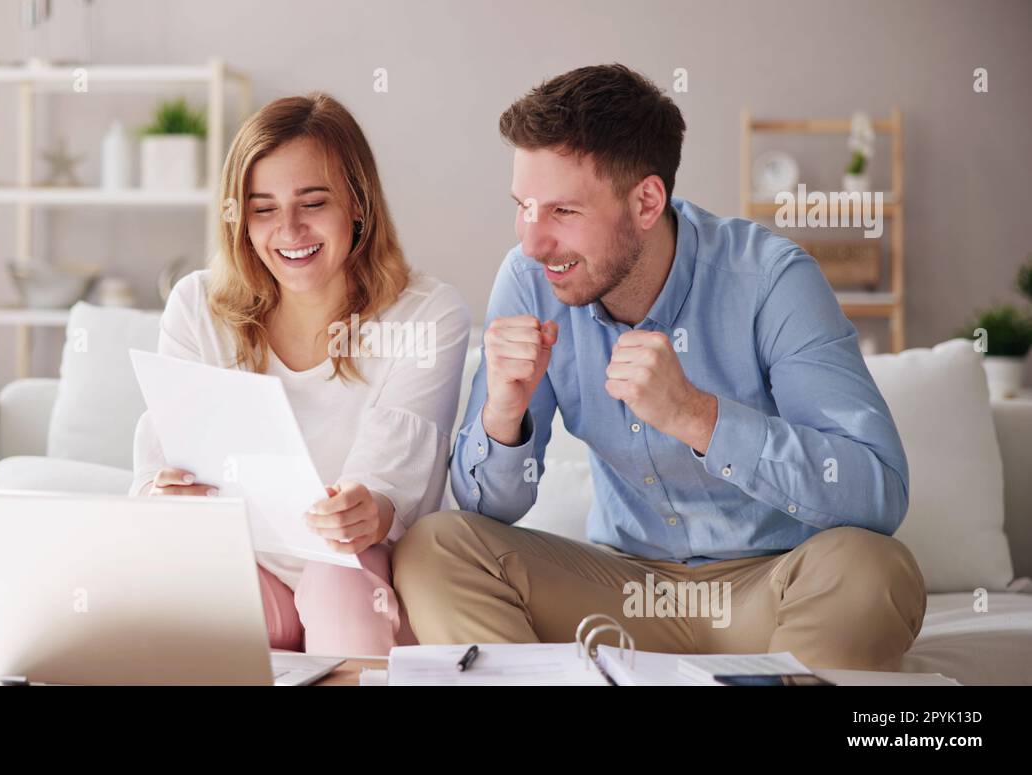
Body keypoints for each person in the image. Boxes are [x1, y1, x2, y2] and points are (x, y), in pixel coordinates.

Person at [394, 64, 926, 671]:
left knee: (873, 572)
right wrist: (503, 415)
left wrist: (698, 417)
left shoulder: (772, 279)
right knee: (433, 548)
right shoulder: (531, 277)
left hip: (771, 590)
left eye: (563, 212)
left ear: (647, 200)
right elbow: (488, 511)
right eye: (524, 207)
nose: (533, 240)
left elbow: (878, 492)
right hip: (620, 591)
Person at [130, 92, 470, 656]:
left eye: (312, 202)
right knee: (180, 592)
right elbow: (158, 464)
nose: (288, 229)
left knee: (336, 582)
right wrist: (161, 493)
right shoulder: (197, 305)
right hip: (247, 562)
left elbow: (390, 486)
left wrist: (369, 507)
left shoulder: (428, 313)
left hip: (363, 573)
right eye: (263, 208)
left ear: (358, 204)